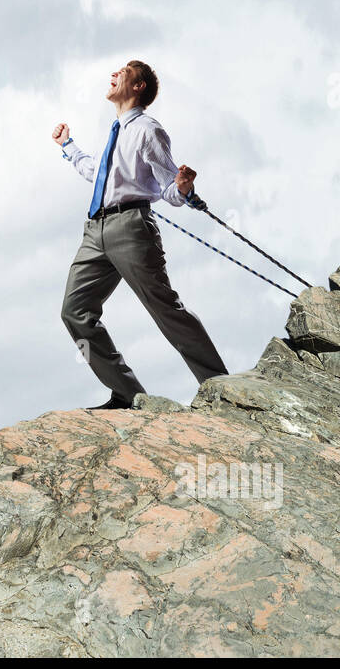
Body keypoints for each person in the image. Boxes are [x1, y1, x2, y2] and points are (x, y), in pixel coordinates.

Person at [53, 60, 228, 410]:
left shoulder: (148, 130)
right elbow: (97, 174)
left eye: (123, 72)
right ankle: (128, 396)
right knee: (74, 311)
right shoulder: (115, 130)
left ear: (138, 87)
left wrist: (183, 188)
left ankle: (222, 388)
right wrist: (68, 145)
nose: (113, 74)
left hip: (131, 228)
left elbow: (168, 190)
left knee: (165, 309)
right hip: (95, 231)